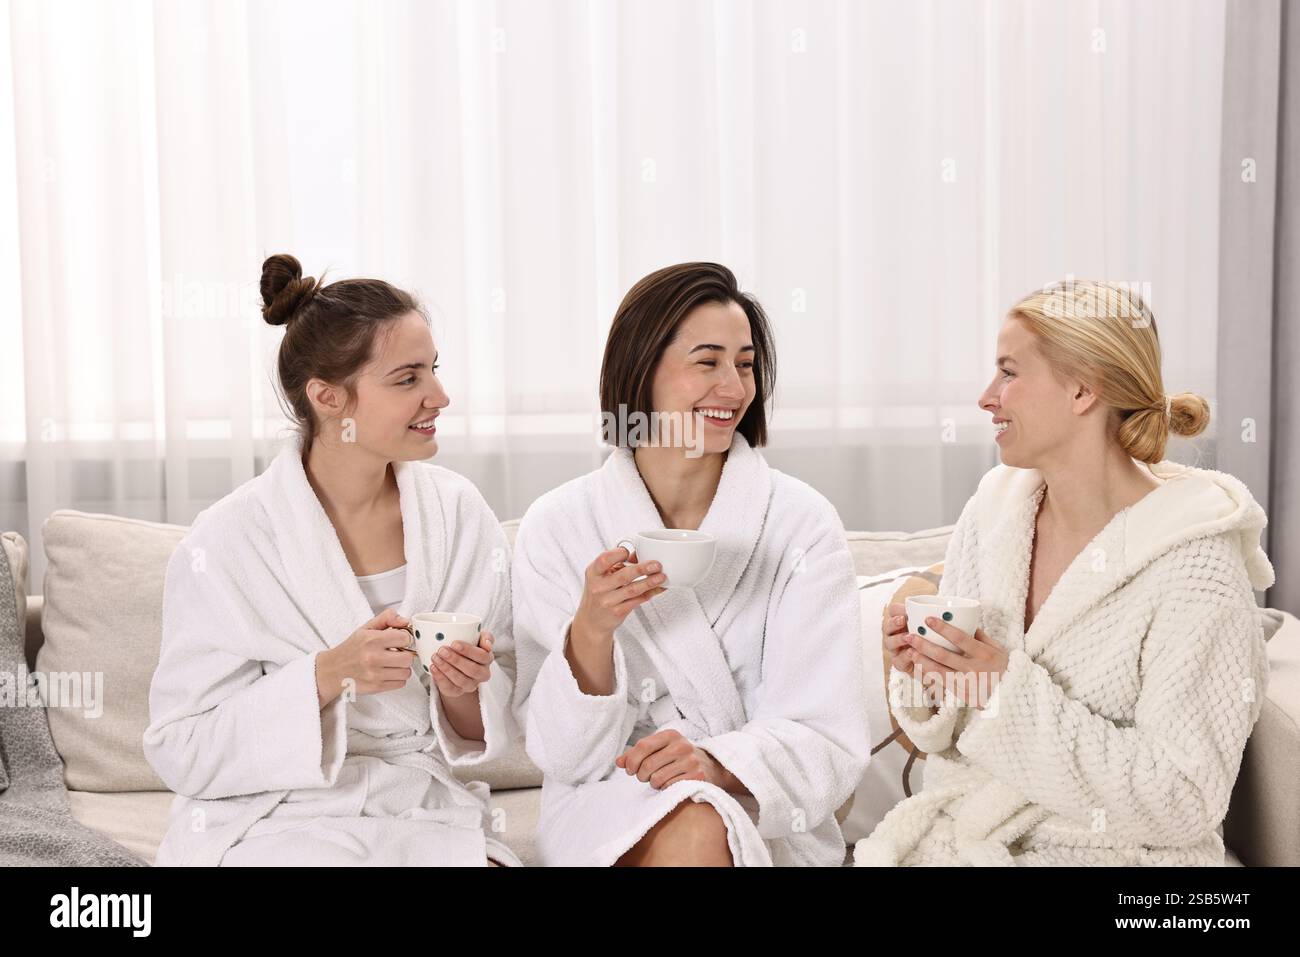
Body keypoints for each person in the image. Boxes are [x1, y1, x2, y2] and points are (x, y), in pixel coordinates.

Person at [858, 279, 1272, 866]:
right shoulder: (997, 510)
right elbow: (946, 736)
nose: (985, 397)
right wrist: (931, 673)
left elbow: (1184, 798)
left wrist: (1002, 690)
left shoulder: (1194, 566)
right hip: (966, 841)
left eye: (1008, 372)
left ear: (1082, 390)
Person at [144, 254, 518, 866]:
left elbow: (483, 727)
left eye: (435, 370)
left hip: (421, 805)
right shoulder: (229, 541)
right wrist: (325, 675)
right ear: (328, 397)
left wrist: (463, 691)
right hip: (279, 814)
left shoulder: (458, 515)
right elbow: (181, 746)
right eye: (408, 379)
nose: (440, 396)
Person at [511, 262, 870, 866]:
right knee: (695, 821)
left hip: (757, 802)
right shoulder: (559, 524)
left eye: (746, 364)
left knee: (703, 817)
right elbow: (564, 755)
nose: (733, 387)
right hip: (605, 802)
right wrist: (592, 631)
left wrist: (720, 764)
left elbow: (827, 734)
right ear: (642, 369)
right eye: (707, 363)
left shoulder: (800, 523)